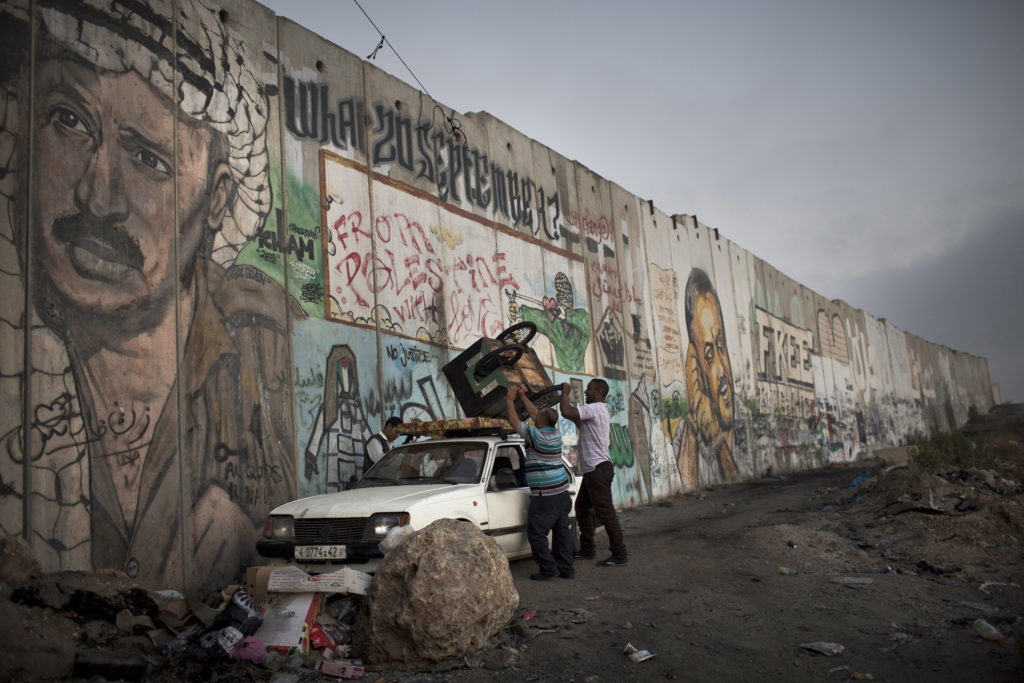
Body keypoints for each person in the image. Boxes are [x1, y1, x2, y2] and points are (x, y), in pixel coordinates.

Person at [0, 0, 301, 589]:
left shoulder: (263, 340)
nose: (98, 197)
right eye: (70, 121)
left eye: (148, 159)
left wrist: (252, 540)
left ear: (217, 199)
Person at [673, 268, 738, 489]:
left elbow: (737, 484)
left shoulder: (749, 423)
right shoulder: (684, 437)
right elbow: (686, 488)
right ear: (697, 365)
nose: (721, 370)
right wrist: (694, 421)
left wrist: (719, 442)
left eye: (721, 344)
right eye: (708, 355)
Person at [505, 385, 573, 580]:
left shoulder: (536, 436)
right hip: (561, 494)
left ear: (541, 421)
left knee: (536, 534)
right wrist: (522, 395)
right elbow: (536, 414)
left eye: (539, 413)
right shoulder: (554, 434)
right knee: (562, 533)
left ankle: (548, 569)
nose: (536, 413)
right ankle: (566, 569)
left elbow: (514, 422)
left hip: (545, 497)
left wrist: (510, 399)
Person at [559, 379, 628, 567]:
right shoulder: (598, 411)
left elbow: (566, 412)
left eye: (589, 389)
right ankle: (587, 549)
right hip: (594, 470)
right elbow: (575, 418)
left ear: (598, 391)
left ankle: (619, 554)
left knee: (606, 513)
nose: (585, 392)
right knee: (582, 508)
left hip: (597, 469)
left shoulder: (595, 408)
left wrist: (565, 394)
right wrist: (568, 405)